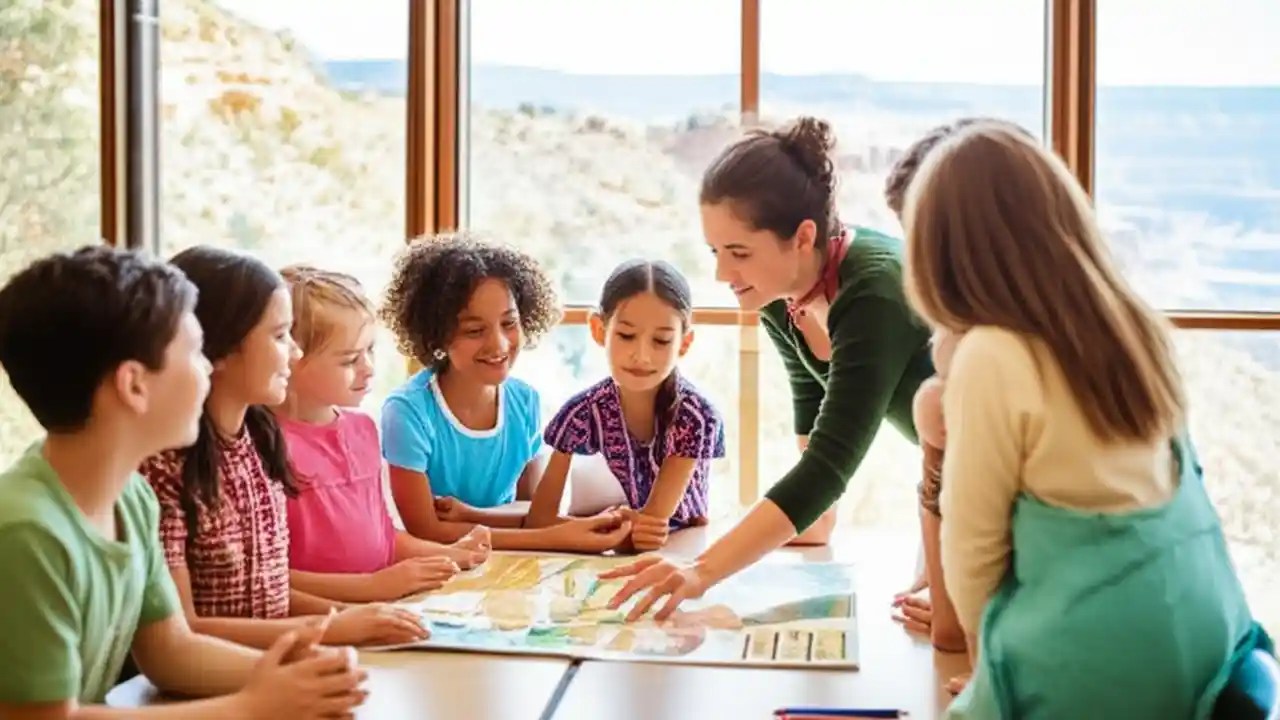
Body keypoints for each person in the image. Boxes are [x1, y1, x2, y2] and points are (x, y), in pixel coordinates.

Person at [903, 122, 1273, 716]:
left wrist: (988, 680)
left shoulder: (996, 353)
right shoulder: (1129, 325)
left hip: (1099, 664)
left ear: (941, 251)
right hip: (1209, 647)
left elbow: (972, 563)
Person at [601, 117, 939, 632]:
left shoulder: (873, 291)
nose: (721, 274)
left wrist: (701, 571)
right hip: (951, 479)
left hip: (1015, 482)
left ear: (803, 237)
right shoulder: (780, 296)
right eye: (716, 252)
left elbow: (829, 466)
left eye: (739, 253)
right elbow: (813, 403)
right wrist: (809, 519)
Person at [0, 246, 365, 718]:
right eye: (195, 353)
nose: (210, 367)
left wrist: (297, 677)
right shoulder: (28, 533)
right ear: (133, 385)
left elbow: (171, 649)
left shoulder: (130, 499)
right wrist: (250, 706)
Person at [141, 245, 428, 650]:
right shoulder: (162, 468)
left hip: (277, 664)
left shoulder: (257, 446)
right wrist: (335, 626)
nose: (294, 353)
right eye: (280, 336)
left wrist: (348, 616)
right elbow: (183, 630)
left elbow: (270, 594)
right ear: (216, 348)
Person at [380, 232, 633, 552]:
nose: (498, 344)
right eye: (474, 330)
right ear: (437, 336)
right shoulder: (407, 412)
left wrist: (592, 524)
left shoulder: (525, 402)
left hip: (507, 565)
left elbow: (535, 513)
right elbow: (426, 530)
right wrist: (550, 538)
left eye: (509, 323)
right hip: (436, 566)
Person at [274, 265, 490, 604]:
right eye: (349, 360)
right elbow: (269, 579)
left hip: (382, 606)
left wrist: (449, 554)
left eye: (370, 351)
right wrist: (372, 588)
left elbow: (383, 538)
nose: (369, 368)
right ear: (289, 358)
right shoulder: (263, 446)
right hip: (320, 620)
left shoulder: (362, 430)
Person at [520, 259, 726, 551]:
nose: (641, 356)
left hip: (691, 544)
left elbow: (651, 530)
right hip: (634, 544)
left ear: (684, 343)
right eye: (626, 336)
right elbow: (539, 522)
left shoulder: (696, 416)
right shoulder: (582, 412)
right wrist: (597, 525)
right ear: (598, 330)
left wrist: (608, 526)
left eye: (661, 340)